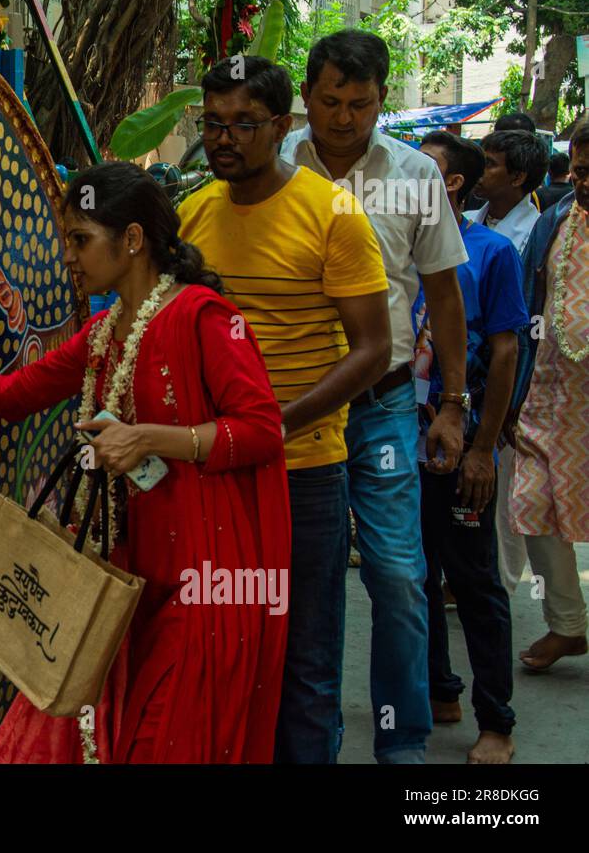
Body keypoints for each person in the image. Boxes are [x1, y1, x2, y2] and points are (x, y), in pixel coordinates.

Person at [0, 162, 292, 763]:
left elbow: (263, 429)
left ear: (132, 240)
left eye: (80, 240)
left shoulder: (204, 317)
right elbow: (4, 396)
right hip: (126, 572)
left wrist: (150, 439)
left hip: (201, 578)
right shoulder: (105, 332)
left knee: (169, 741)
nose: (70, 258)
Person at [178, 56, 391, 763]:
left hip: (303, 475)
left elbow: (371, 352)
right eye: (213, 123)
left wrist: (270, 427)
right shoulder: (193, 214)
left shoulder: (333, 213)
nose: (225, 138)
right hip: (210, 473)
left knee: (304, 664)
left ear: (283, 125)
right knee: (225, 654)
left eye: (244, 122)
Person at [281, 29, 470, 765]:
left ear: (382, 100)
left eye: (360, 104)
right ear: (306, 97)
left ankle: (401, 742)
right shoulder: (275, 164)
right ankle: (311, 744)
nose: (344, 118)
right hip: (297, 408)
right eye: (330, 101)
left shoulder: (417, 174)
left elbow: (445, 296)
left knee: (397, 578)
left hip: (385, 404)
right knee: (310, 584)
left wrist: (452, 404)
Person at [414, 132, 526, 764]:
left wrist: (484, 448)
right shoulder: (398, 247)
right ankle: (440, 690)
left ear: (453, 183)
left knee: (475, 581)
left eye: (424, 170)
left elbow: (506, 351)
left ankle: (497, 721)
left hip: (464, 446)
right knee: (416, 574)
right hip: (407, 441)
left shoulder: (492, 253)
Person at [508, 122, 589, 671]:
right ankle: (568, 625)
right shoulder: (556, 219)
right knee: (531, 504)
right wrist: (513, 392)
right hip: (552, 397)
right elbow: (524, 306)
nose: (583, 182)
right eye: (580, 170)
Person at [465, 130, 548, 596]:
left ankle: (498, 582)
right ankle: (470, 575)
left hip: (507, 378)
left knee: (504, 484)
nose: (482, 169)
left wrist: (516, 398)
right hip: (466, 372)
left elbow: (522, 333)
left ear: (517, 177)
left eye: (491, 163)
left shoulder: (531, 234)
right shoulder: (474, 221)